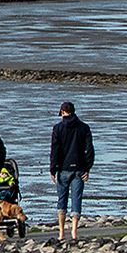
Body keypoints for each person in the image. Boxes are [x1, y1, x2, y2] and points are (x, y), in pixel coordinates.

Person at [48, 100, 94, 240]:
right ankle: (74, 230)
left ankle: (61, 231)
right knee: (76, 198)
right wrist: (88, 167)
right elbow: (89, 149)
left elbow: (55, 150)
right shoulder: (84, 127)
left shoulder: (58, 128)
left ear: (62, 112)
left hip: (63, 168)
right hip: (79, 167)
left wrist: (52, 169)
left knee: (62, 198)